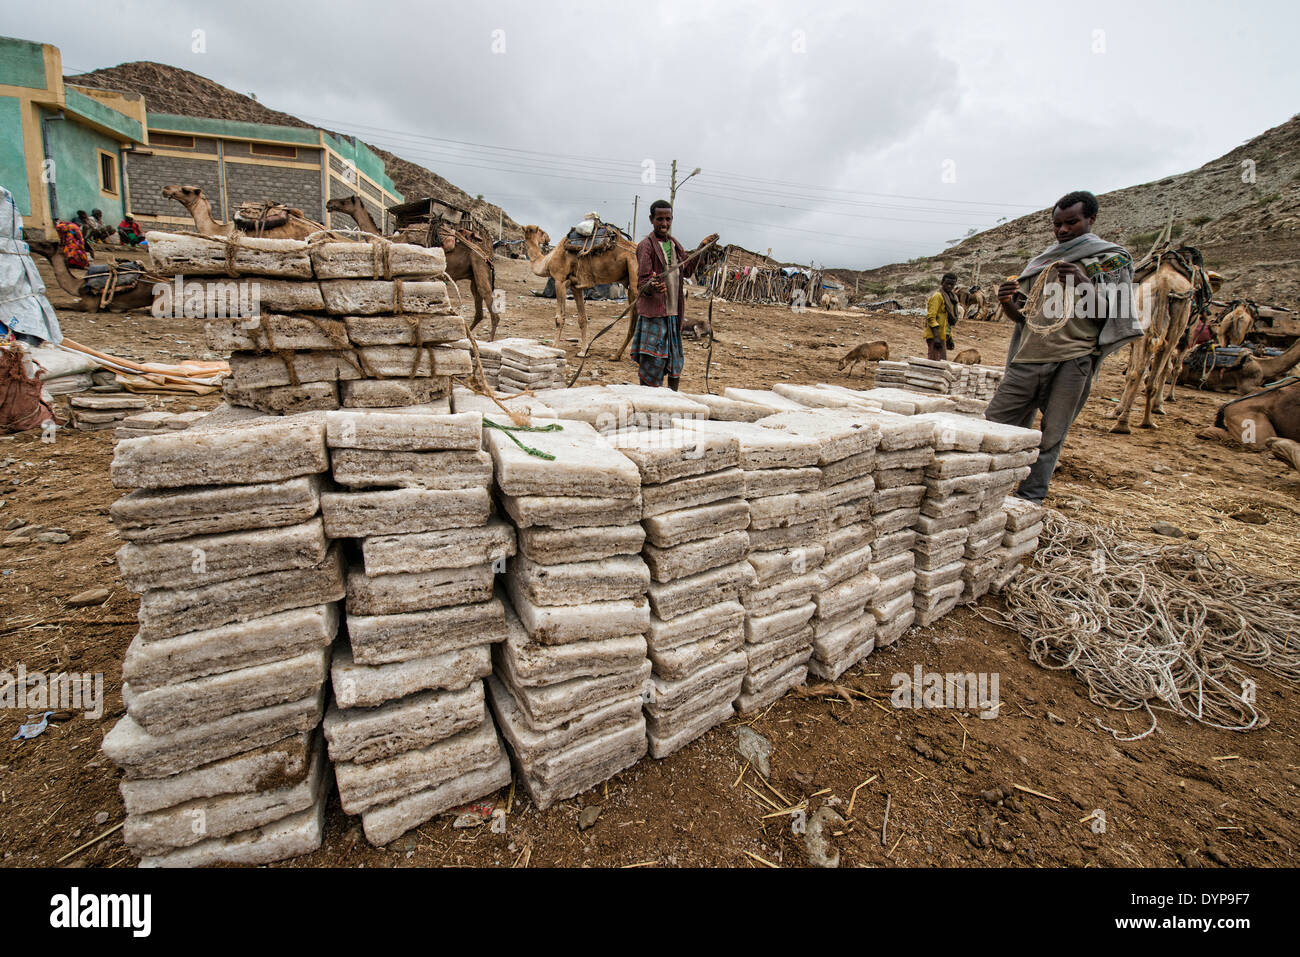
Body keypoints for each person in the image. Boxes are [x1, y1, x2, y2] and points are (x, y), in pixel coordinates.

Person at [984, 189, 1141, 503]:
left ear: (1091, 219)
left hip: (1074, 359)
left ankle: (1031, 497)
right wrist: (1006, 303)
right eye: (1057, 224)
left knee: (1052, 434)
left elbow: (1113, 317)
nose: (1063, 230)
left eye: (1072, 222)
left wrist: (1083, 284)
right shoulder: (1042, 261)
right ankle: (988, 489)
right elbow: (1023, 317)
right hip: (1029, 355)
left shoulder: (1111, 259)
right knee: (996, 424)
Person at [632, 199, 716, 389]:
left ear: (672, 219)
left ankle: (672, 403)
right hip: (655, 315)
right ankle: (649, 404)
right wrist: (653, 287)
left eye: (668, 219)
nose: (664, 223)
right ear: (651, 219)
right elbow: (642, 283)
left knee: (674, 361)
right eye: (659, 219)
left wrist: (701, 248)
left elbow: (686, 271)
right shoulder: (646, 246)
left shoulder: (674, 244)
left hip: (673, 314)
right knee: (652, 363)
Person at [925, 273, 959, 360]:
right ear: (942, 282)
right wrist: (936, 337)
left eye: (952, 284)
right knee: (935, 363)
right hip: (935, 336)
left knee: (942, 362)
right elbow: (931, 317)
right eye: (947, 283)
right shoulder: (937, 296)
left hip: (944, 335)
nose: (949, 286)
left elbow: (947, 321)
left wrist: (950, 337)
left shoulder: (951, 298)